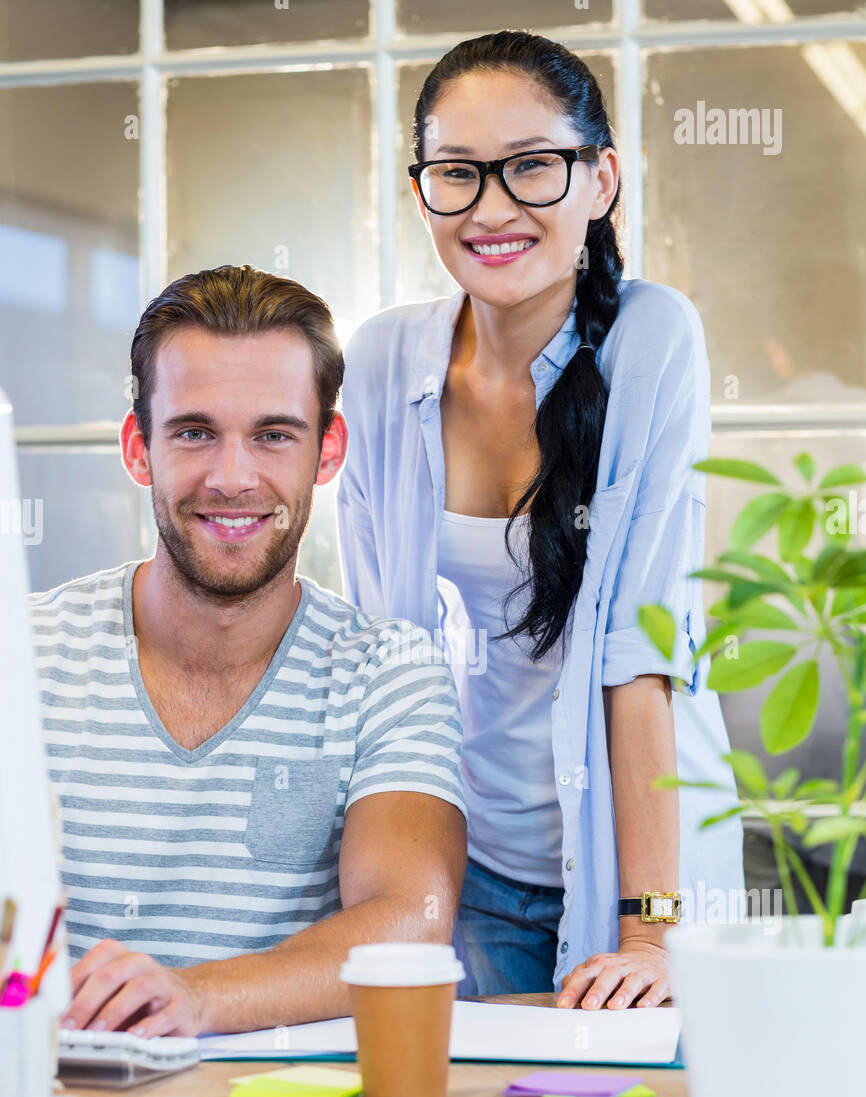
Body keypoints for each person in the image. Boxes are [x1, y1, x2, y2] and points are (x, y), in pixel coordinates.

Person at [337, 30, 745, 1010]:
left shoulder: (650, 337)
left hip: (641, 871)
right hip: (464, 867)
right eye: (456, 173)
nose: (490, 208)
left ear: (600, 178)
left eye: (530, 166)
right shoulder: (384, 359)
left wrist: (648, 932)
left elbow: (636, 649)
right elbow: (376, 656)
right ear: (421, 185)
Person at [34, 265, 467, 1038]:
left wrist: (192, 999)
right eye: (195, 432)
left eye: (273, 435)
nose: (232, 479)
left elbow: (409, 919)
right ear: (139, 449)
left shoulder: (388, 673)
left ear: (328, 452)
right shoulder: (23, 658)